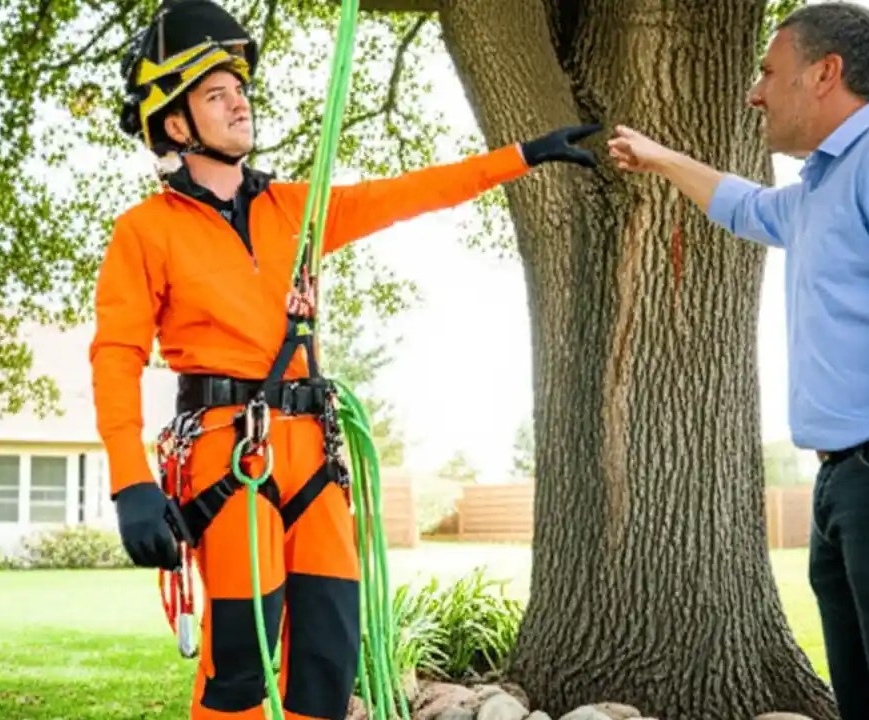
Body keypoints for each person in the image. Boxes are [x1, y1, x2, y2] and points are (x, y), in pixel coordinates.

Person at [88, 2, 599, 718]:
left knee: (328, 659)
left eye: (240, 88)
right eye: (215, 94)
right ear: (176, 124)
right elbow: (116, 353)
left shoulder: (296, 207)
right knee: (239, 660)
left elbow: (407, 194)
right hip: (228, 458)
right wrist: (129, 483)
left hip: (313, 458)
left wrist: (520, 157)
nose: (240, 101)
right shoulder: (145, 231)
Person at [607, 3, 869, 719]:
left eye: (768, 71)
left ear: (825, 74)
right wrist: (659, 157)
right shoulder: (821, 188)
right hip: (851, 479)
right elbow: (745, 206)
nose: (755, 92)